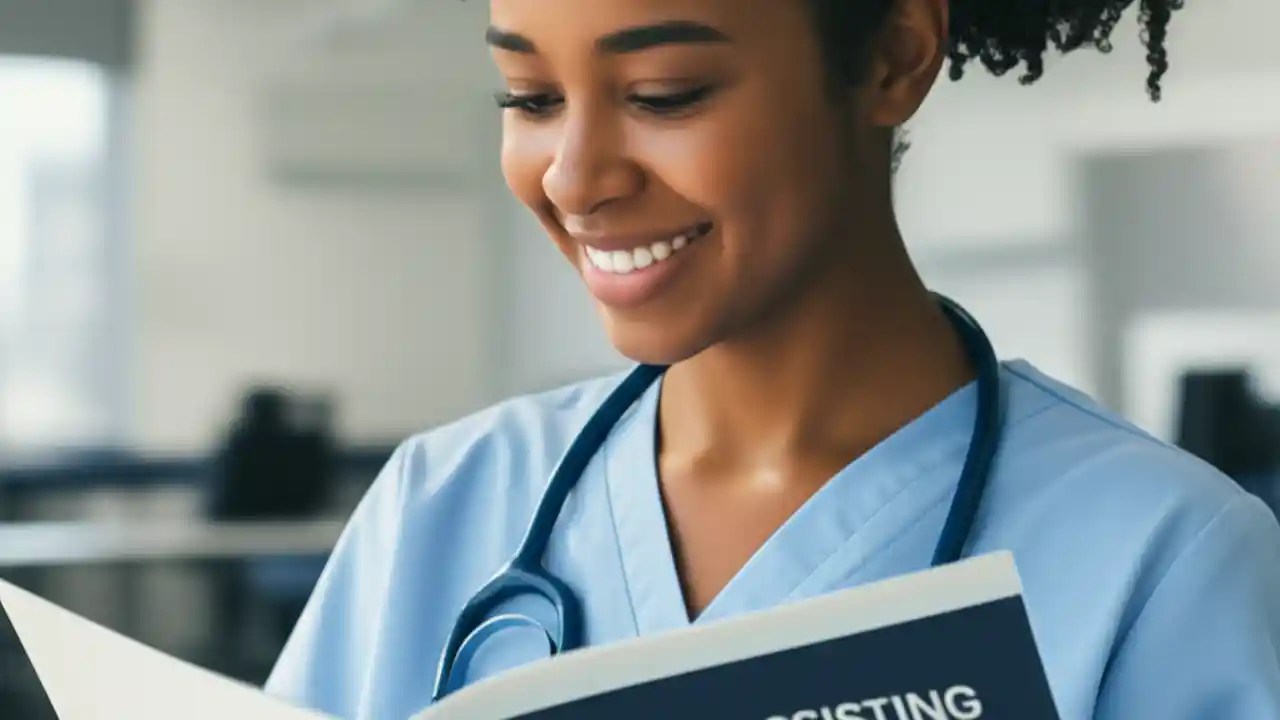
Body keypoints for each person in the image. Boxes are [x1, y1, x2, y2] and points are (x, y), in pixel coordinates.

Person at [264, 0, 1280, 717]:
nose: (573, 177)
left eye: (664, 93)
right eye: (529, 97)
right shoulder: (441, 505)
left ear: (892, 57)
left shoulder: (1159, 556)